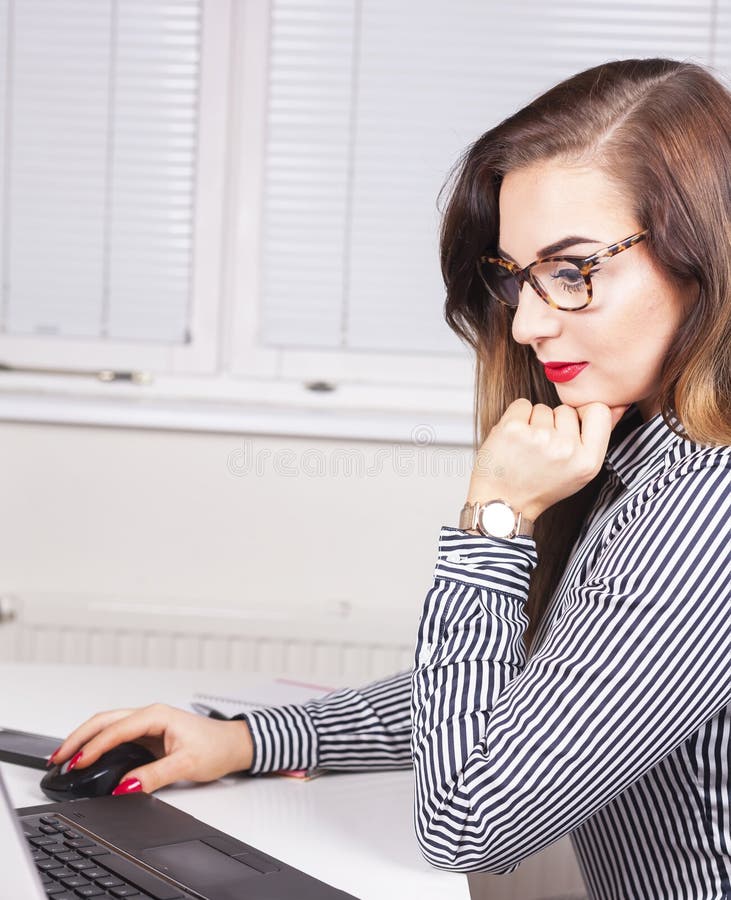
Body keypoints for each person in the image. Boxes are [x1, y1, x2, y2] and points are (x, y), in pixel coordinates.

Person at [50, 58, 731, 899]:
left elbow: (467, 819)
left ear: (703, 254)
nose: (525, 322)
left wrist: (496, 517)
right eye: (516, 277)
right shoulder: (640, 453)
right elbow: (541, 695)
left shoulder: (706, 504)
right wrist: (248, 739)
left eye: (572, 269)